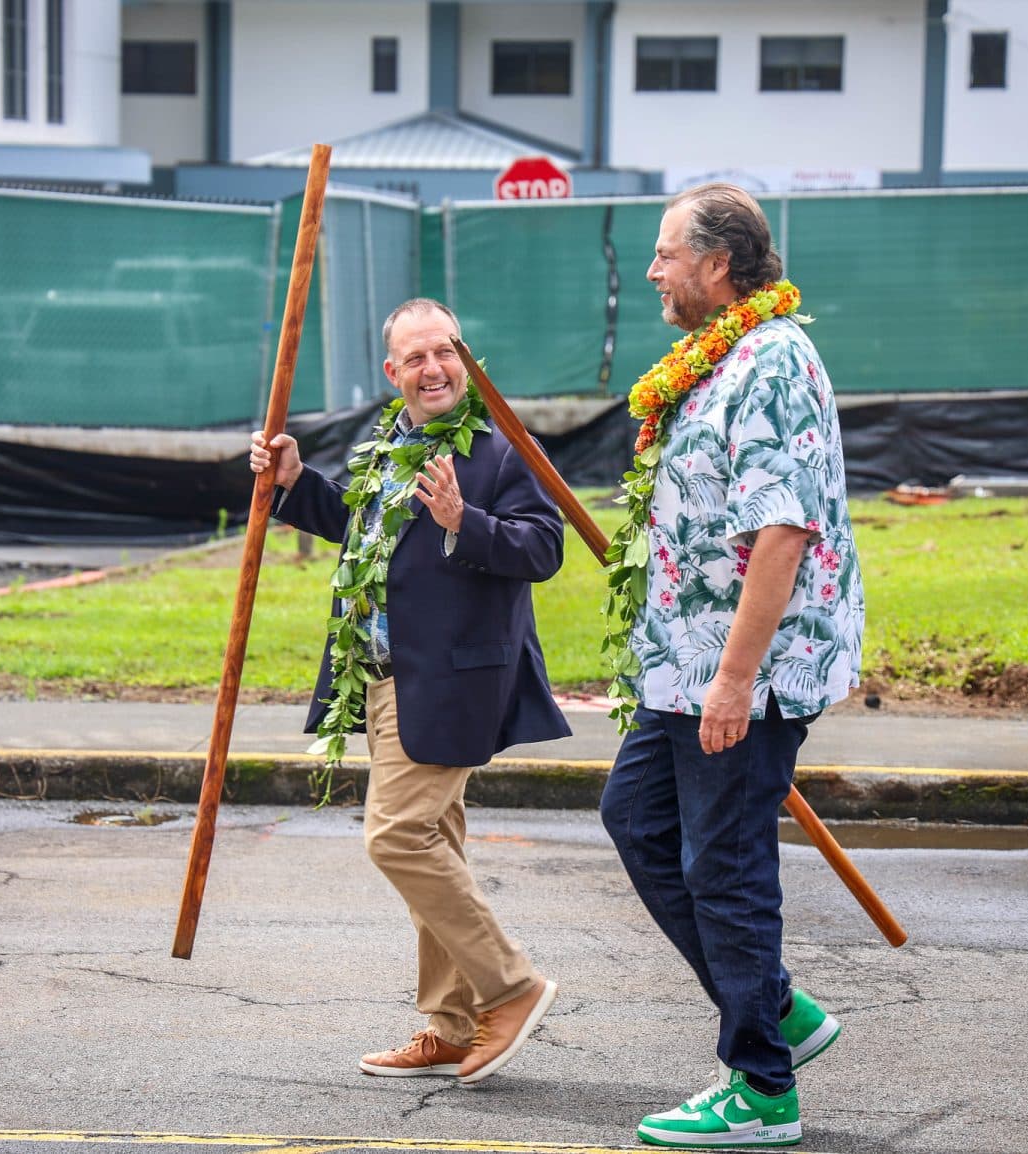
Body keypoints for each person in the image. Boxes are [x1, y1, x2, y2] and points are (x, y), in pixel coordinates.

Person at [599, 185, 865, 1148]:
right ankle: (777, 1008)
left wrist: (735, 681)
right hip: (682, 665)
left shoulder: (773, 360)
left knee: (726, 867)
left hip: (739, 674)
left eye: (667, 254)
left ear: (719, 265)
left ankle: (760, 1087)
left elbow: (782, 531)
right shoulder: (718, 362)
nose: (655, 270)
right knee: (634, 820)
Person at [248, 297, 569, 1086]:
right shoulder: (388, 444)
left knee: (396, 836)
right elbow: (366, 529)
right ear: (392, 374)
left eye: (445, 352)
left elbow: (544, 547)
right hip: (384, 677)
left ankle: (511, 986)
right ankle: (453, 1026)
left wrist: (467, 522)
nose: (434, 369)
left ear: (467, 356)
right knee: (435, 844)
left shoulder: (501, 449)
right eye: (415, 359)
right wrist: (296, 482)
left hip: (456, 680)